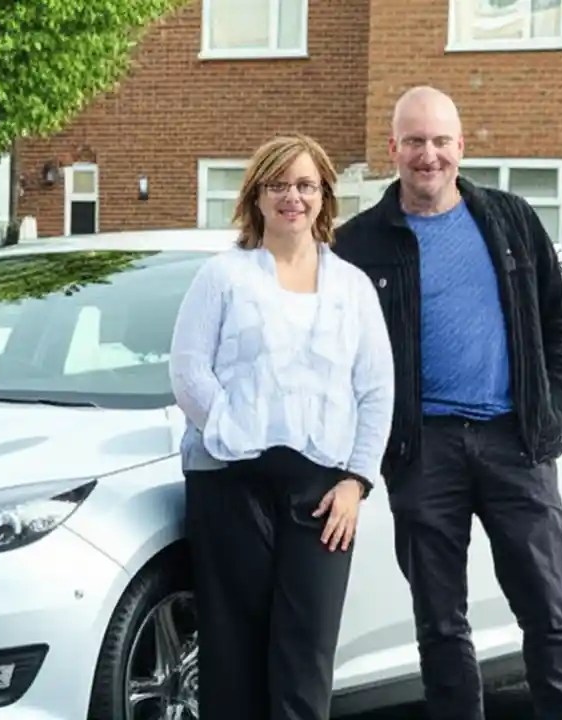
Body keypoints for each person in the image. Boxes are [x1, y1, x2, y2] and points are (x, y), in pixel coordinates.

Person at [332, 86, 562, 720]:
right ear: (393, 149)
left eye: (441, 141)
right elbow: (336, 355)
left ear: (461, 147)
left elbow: (560, 323)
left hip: (515, 441)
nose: (429, 155)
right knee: (440, 624)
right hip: (424, 451)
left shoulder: (511, 220)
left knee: (549, 613)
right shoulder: (357, 245)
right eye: (415, 141)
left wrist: (552, 412)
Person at [168, 132, 395, 720]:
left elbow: (376, 390)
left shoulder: (352, 287)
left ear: (323, 196)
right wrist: (231, 429)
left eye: (304, 185)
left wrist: (356, 482)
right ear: (257, 197)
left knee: (306, 653)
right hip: (228, 479)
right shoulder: (223, 277)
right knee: (232, 651)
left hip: (322, 493)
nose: (291, 197)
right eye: (278, 185)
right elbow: (188, 370)